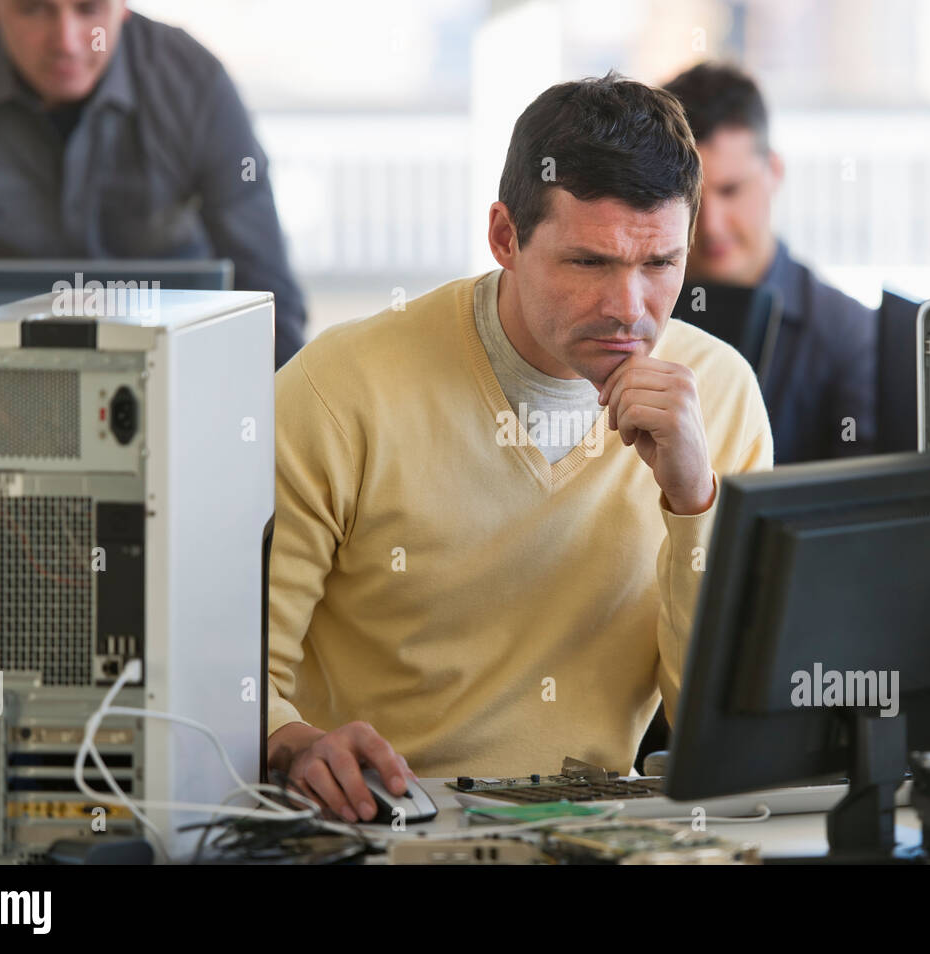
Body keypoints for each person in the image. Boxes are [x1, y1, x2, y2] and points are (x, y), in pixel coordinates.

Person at [265, 72, 773, 823]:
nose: (630, 309)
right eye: (589, 263)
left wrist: (694, 502)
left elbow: (726, 729)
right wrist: (293, 744)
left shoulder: (719, 394)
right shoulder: (338, 389)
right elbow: (227, 679)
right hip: (386, 825)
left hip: (595, 829)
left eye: (660, 264)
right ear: (506, 236)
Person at [0, 0, 305, 368]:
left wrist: (276, 435)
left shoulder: (195, 85)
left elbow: (265, 286)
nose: (67, 43)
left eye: (89, 9)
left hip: (177, 370)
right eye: (33, 9)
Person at [664, 62, 877, 462]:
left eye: (731, 190)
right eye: (691, 198)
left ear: (774, 172)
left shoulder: (848, 335)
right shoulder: (630, 315)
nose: (711, 225)